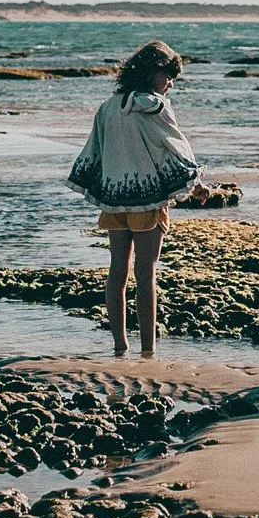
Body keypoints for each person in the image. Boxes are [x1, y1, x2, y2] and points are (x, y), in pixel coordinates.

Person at [67, 41, 198, 357]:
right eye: (168, 76)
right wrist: (197, 183)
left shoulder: (108, 107)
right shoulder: (157, 107)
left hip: (115, 200)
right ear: (153, 71)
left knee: (117, 272)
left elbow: (94, 150)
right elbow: (176, 149)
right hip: (148, 202)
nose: (170, 84)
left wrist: (98, 184)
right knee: (146, 274)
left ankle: (119, 346)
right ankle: (149, 350)